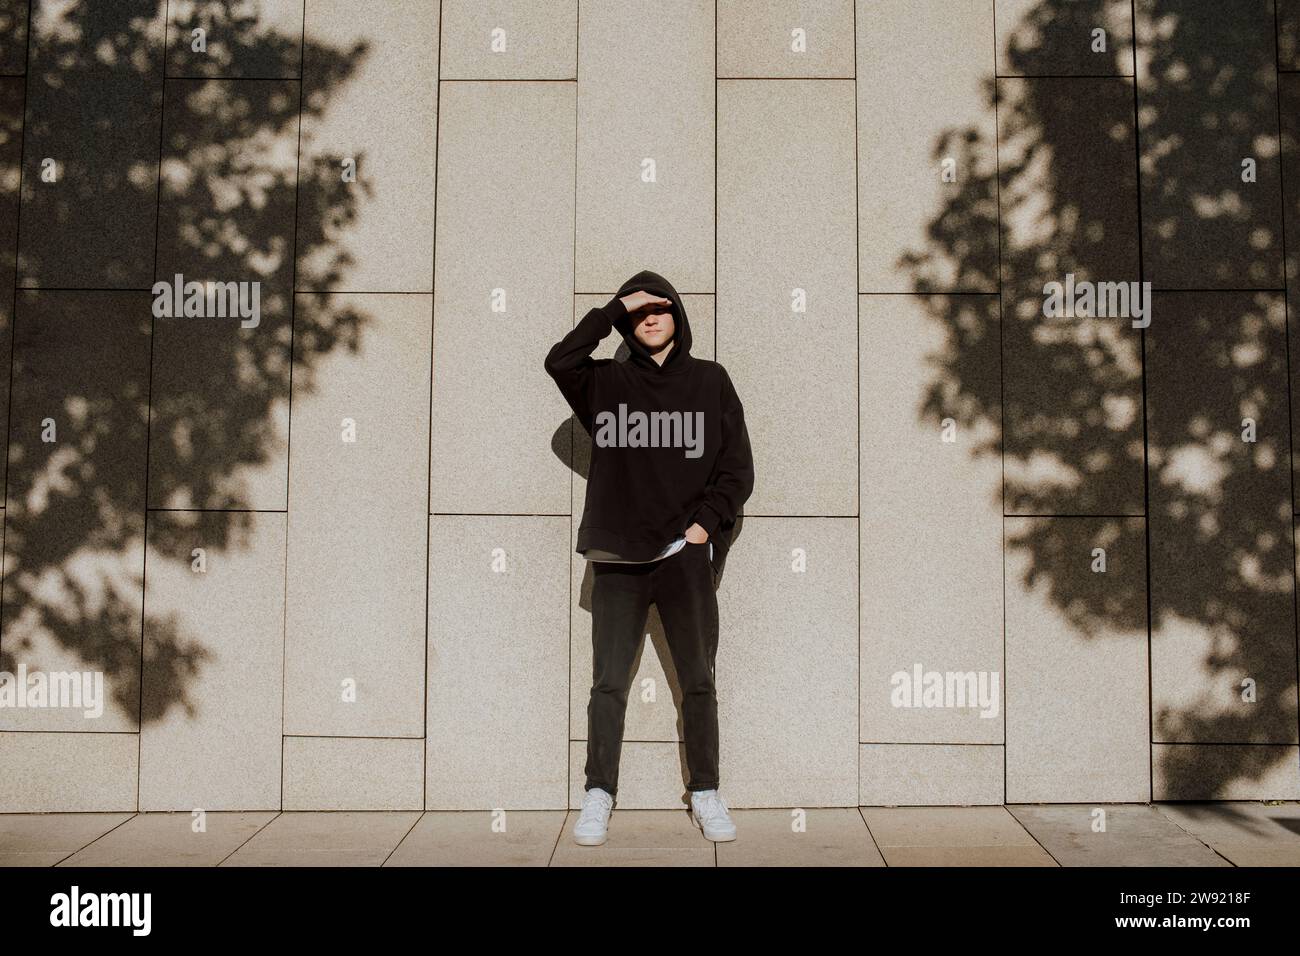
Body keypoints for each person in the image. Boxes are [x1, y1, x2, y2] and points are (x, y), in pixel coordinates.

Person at [544, 269, 755, 846]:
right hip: (617, 558)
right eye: (638, 313)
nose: (649, 318)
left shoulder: (711, 382)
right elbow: (560, 360)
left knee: (698, 681)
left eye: (659, 308)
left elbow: (737, 469)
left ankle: (706, 791)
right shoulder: (604, 382)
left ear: (679, 316)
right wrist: (614, 306)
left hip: (683, 556)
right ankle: (598, 794)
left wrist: (702, 528)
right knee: (609, 683)